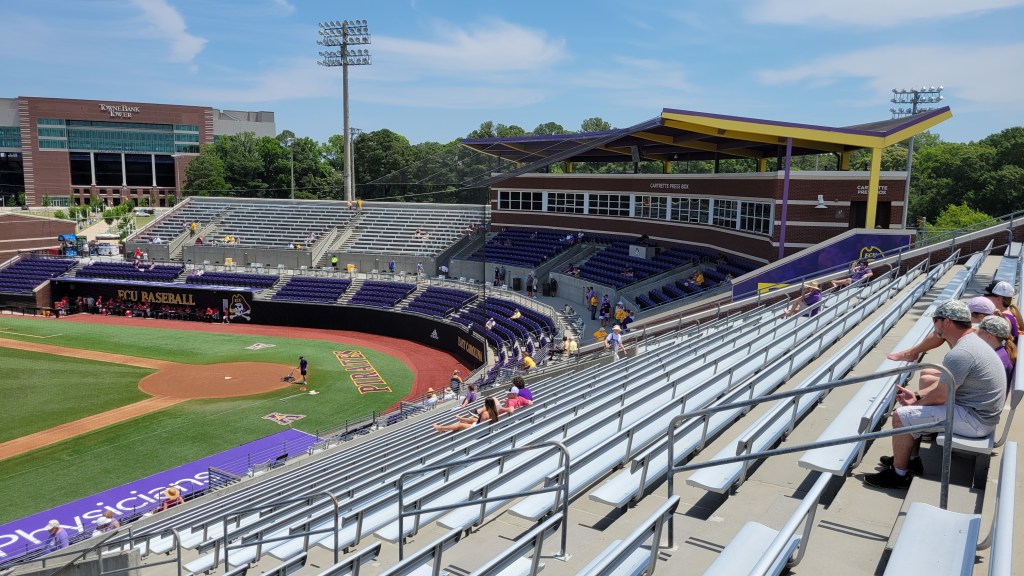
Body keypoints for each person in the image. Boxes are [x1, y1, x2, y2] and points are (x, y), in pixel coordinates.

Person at [865, 301, 1006, 489]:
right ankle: (912, 460)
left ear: (946, 322)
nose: (934, 325)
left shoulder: (961, 352)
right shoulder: (971, 343)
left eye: (935, 320)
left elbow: (941, 397)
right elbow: (942, 392)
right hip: (978, 413)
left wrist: (915, 403)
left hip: (976, 421)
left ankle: (898, 475)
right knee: (914, 412)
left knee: (901, 416)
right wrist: (917, 400)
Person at [976, 315, 1016, 391]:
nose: (976, 334)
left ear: (989, 336)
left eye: (980, 332)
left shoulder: (994, 359)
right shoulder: (1003, 352)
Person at [433, 397, 499, 432]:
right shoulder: (494, 411)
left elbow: (479, 426)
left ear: (486, 404)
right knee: (473, 419)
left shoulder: (485, 413)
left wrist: (480, 415)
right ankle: (460, 418)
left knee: (459, 425)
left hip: (478, 430)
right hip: (486, 427)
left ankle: (440, 428)